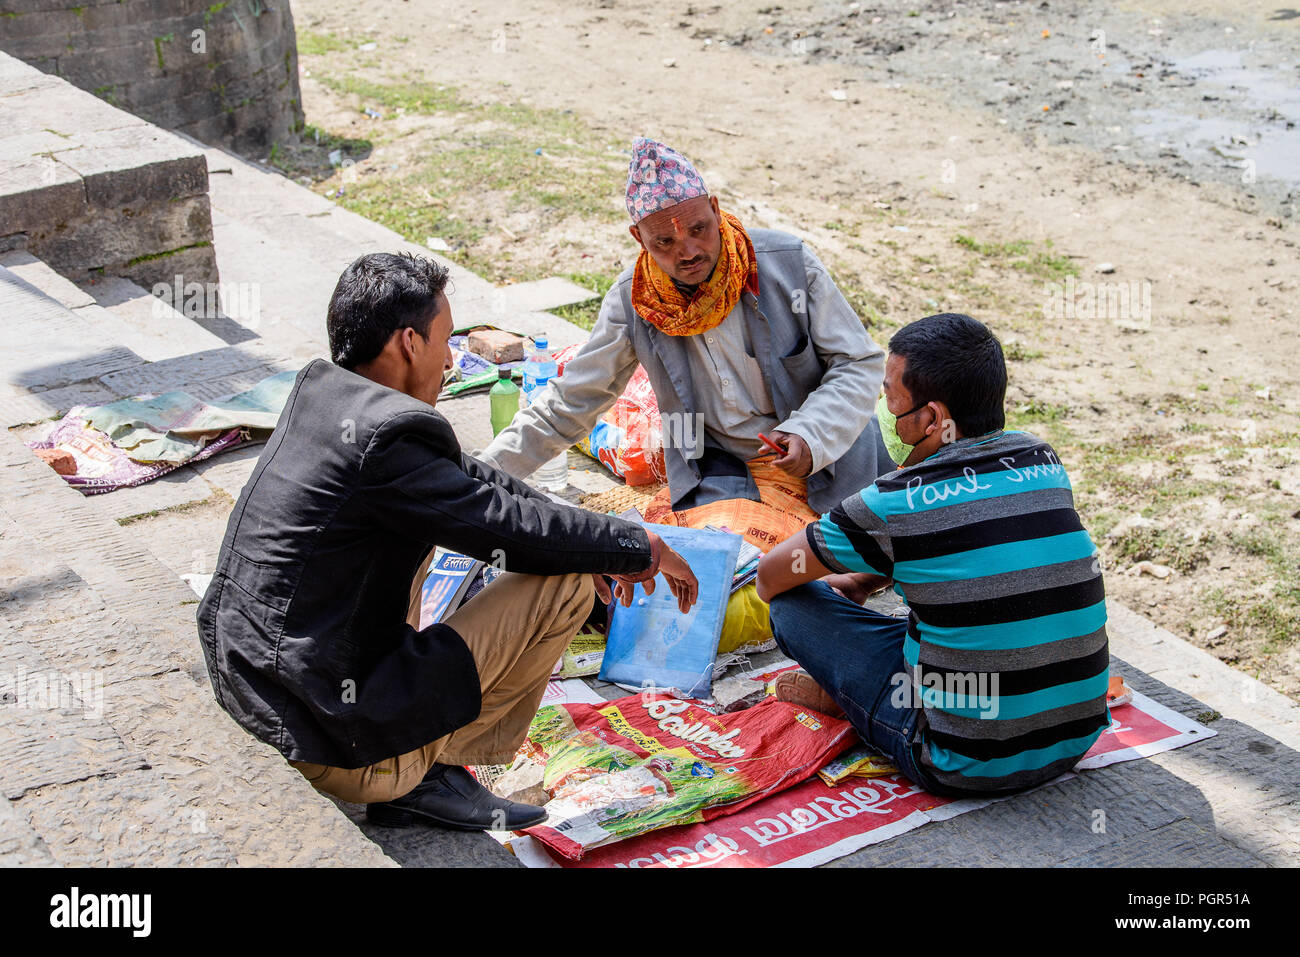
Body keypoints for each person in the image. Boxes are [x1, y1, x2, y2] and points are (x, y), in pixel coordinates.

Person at [196, 252, 698, 831]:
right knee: (565, 577)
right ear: (409, 342)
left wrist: (614, 540)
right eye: (443, 339)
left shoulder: (325, 393)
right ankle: (425, 768)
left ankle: (418, 756)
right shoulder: (389, 437)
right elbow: (509, 530)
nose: (448, 359)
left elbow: (476, 484)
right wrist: (641, 548)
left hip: (258, 690)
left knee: (457, 532)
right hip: (334, 739)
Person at [756, 313, 1110, 797]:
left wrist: (848, 578)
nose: (883, 407)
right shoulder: (1041, 458)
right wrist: (866, 579)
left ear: (931, 419)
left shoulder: (893, 500)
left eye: (890, 395)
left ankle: (855, 701)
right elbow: (979, 549)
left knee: (793, 609)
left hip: (960, 759)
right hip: (1074, 739)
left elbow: (771, 576)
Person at [481, 137, 891, 554]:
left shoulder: (789, 264)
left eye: (699, 230)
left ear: (715, 209)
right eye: (665, 242)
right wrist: (477, 477)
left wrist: (810, 433)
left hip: (826, 459)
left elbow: (859, 363)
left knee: (822, 571)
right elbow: (568, 405)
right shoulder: (634, 301)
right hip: (719, 470)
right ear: (638, 238)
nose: (689, 251)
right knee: (706, 574)